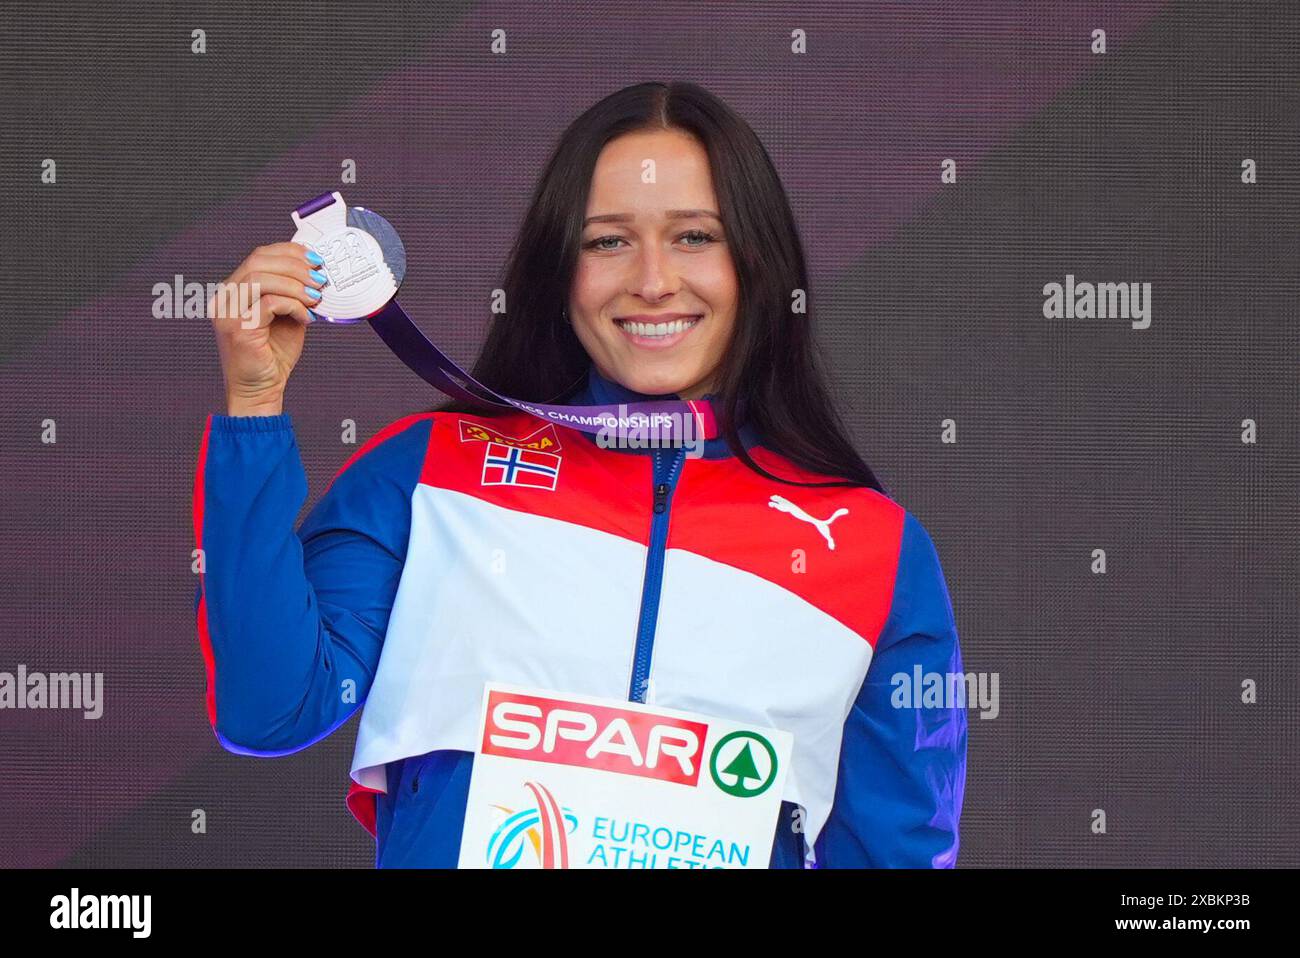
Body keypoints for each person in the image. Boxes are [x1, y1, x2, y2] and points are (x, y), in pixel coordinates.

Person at [194, 81, 967, 868]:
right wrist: (254, 405)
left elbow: (894, 854)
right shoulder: (432, 472)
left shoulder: (875, 550)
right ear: (560, 272)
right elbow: (269, 710)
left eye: (696, 236)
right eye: (608, 242)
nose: (654, 280)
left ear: (757, 263)